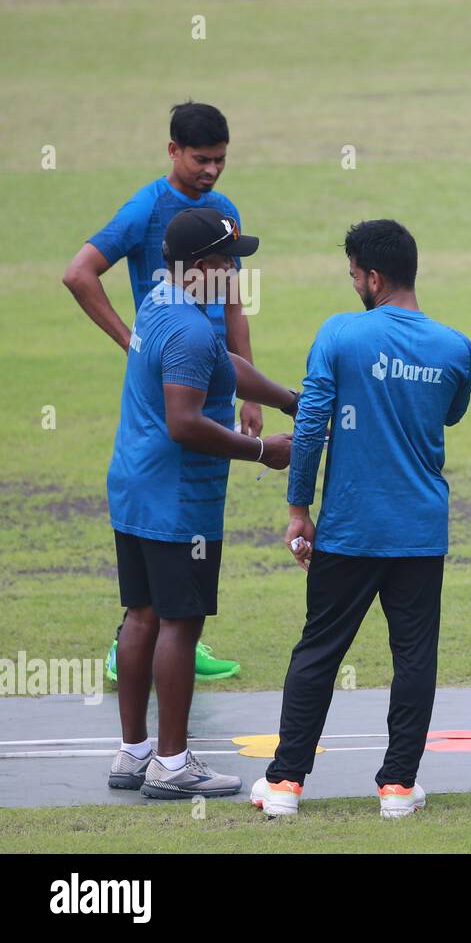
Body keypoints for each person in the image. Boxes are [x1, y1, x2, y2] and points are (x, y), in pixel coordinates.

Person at [250, 220, 471, 818]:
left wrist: (299, 510)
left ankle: (284, 785)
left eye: (353, 274)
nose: (353, 283)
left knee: (318, 652)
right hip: (420, 533)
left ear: (372, 277)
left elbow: (311, 427)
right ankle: (398, 787)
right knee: (415, 657)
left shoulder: (339, 334)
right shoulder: (455, 347)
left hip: (349, 529)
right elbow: (451, 414)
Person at [106, 207, 297, 798]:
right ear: (209, 266)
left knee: (139, 615)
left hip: (135, 487)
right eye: (232, 262)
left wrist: (291, 398)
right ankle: (172, 763)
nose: (236, 274)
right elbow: (185, 422)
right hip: (178, 499)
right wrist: (263, 449)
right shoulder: (189, 328)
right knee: (180, 624)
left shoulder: (162, 301)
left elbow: (223, 367)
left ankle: (134, 753)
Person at [64, 101, 257, 683]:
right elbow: (79, 272)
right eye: (201, 159)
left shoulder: (222, 212)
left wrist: (252, 386)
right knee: (164, 506)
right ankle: (138, 635)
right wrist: (130, 340)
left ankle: (174, 632)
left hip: (218, 377)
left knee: (192, 514)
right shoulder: (147, 207)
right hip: (176, 381)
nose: (212, 171)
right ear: (172, 151)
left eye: (221, 160)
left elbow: (231, 305)